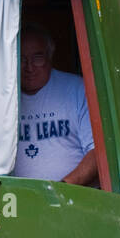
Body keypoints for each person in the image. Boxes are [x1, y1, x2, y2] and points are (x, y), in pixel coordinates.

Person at [13, 25, 98, 186]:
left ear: (50, 57)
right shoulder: (1, 96)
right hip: (15, 200)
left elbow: (96, 151)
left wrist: (62, 189)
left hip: (72, 197)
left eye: (37, 58)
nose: (29, 67)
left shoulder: (77, 89)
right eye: (22, 59)